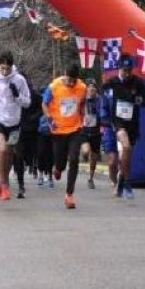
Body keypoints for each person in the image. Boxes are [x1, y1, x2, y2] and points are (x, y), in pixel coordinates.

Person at [101, 53, 145, 199]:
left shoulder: (137, 82)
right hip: (117, 123)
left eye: (129, 70)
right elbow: (102, 95)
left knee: (127, 155)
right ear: (119, 69)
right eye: (124, 70)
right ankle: (121, 182)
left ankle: (124, 181)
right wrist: (104, 118)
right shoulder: (112, 82)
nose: (127, 73)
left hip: (132, 124)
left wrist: (138, 100)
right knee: (126, 147)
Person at [0, 52, 31, 200]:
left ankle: (3, 179)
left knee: (9, 155)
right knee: (2, 149)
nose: (5, 72)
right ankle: (3, 184)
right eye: (2, 68)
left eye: (7, 69)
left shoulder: (19, 80)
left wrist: (17, 95)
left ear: (12, 67)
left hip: (13, 121)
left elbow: (27, 102)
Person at [43, 64, 87, 209]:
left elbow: (82, 104)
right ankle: (58, 168)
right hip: (58, 130)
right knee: (60, 164)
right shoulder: (54, 86)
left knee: (74, 159)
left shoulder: (82, 88)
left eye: (72, 81)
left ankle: (69, 195)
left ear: (76, 79)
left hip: (75, 128)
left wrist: (83, 118)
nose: (70, 83)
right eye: (68, 80)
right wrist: (50, 120)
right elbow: (44, 104)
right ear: (64, 75)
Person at [14, 79, 42, 192]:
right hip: (19, 129)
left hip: (34, 130)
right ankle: (21, 184)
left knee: (35, 153)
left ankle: (34, 167)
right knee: (19, 155)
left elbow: (42, 109)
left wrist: (34, 117)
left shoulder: (36, 96)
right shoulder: (15, 96)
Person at [80, 78, 102, 189]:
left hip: (96, 131)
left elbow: (102, 112)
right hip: (84, 129)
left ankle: (91, 178)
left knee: (93, 156)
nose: (92, 88)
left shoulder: (99, 100)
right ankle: (84, 153)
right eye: (89, 86)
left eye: (94, 86)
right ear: (86, 88)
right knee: (86, 150)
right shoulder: (82, 99)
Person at [36, 113, 55, 188]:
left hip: (52, 135)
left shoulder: (54, 109)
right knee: (41, 154)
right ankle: (40, 175)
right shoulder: (39, 110)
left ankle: (50, 176)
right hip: (41, 135)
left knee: (50, 155)